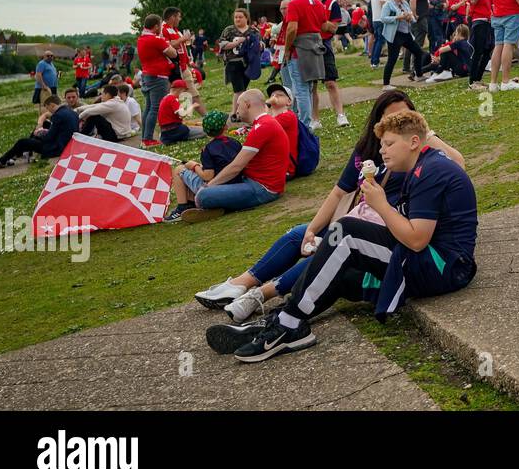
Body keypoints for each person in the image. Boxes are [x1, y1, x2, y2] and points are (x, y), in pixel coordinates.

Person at [194, 92, 465, 327]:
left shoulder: (423, 156)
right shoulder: (370, 152)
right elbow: (339, 192)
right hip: (363, 215)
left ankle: (263, 295)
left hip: (388, 223)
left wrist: (426, 133)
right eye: (390, 120)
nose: (397, 124)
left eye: (405, 117)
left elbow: (457, 165)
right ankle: (241, 283)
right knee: (299, 235)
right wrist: (313, 229)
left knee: (336, 245)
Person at [227, 109, 477, 363]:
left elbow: (416, 240)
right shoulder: (421, 168)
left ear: (414, 142)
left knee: (344, 231)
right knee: (342, 274)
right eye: (382, 145)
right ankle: (282, 318)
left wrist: (381, 205)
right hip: (428, 260)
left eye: (389, 144)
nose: (382, 151)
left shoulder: (431, 170)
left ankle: (289, 324)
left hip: (445, 266)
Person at [166, 88, 289, 222]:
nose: (236, 111)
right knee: (206, 190)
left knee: (203, 195)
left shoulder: (262, 126)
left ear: (247, 104)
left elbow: (236, 166)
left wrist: (210, 185)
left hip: (262, 189)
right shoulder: (264, 123)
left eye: (238, 105)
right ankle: (217, 203)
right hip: (265, 185)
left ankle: (208, 204)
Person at [280, 0, 331, 127]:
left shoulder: (294, 3)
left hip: (300, 50)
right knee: (308, 88)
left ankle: (304, 125)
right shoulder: (318, 3)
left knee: (301, 88)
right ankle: (306, 122)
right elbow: (323, 26)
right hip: (315, 48)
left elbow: (292, 28)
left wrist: (288, 48)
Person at [0, 94, 79, 169]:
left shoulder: (58, 115)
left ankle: (2, 161)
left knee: (22, 142)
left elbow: (49, 138)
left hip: (57, 148)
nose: (49, 111)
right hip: (68, 143)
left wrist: (40, 133)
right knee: (42, 127)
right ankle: (21, 154)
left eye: (48, 108)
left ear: (52, 105)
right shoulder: (71, 112)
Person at [311, 0, 351, 128]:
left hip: (324, 44)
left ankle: (341, 115)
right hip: (310, 45)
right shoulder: (306, 3)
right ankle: (315, 119)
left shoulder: (331, 4)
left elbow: (333, 28)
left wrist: (318, 20)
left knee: (330, 82)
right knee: (312, 85)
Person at [136, 14, 177, 147]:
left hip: (147, 74)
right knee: (155, 108)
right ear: (155, 26)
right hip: (158, 76)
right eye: (160, 25)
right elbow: (173, 53)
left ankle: (145, 138)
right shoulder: (155, 39)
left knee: (148, 108)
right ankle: (148, 139)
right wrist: (165, 43)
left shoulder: (142, 38)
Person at [379, 0, 425, 88]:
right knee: (392, 58)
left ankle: (419, 75)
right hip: (395, 35)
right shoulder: (388, 4)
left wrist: (410, 18)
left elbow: (413, 19)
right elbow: (383, 18)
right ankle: (386, 84)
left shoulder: (405, 3)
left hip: (406, 34)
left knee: (418, 51)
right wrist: (397, 17)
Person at [218, 8, 262, 106]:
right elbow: (222, 44)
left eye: (240, 17)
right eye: (235, 17)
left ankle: (241, 112)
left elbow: (261, 44)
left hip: (249, 63)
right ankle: (235, 113)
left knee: (243, 89)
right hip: (233, 62)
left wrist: (258, 45)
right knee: (239, 90)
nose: (237, 19)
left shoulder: (253, 30)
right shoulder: (229, 30)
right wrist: (237, 42)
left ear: (246, 18)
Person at [158, 79, 205, 144]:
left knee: (187, 128)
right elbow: (181, 114)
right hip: (175, 130)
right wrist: (193, 106)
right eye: (184, 91)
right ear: (179, 89)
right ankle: (178, 138)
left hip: (165, 131)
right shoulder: (173, 99)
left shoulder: (165, 98)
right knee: (203, 132)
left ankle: (167, 138)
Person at [368, 0, 390, 67]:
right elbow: (384, 6)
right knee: (380, 41)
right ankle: (375, 62)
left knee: (377, 41)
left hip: (375, 20)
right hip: (381, 20)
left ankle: (373, 61)